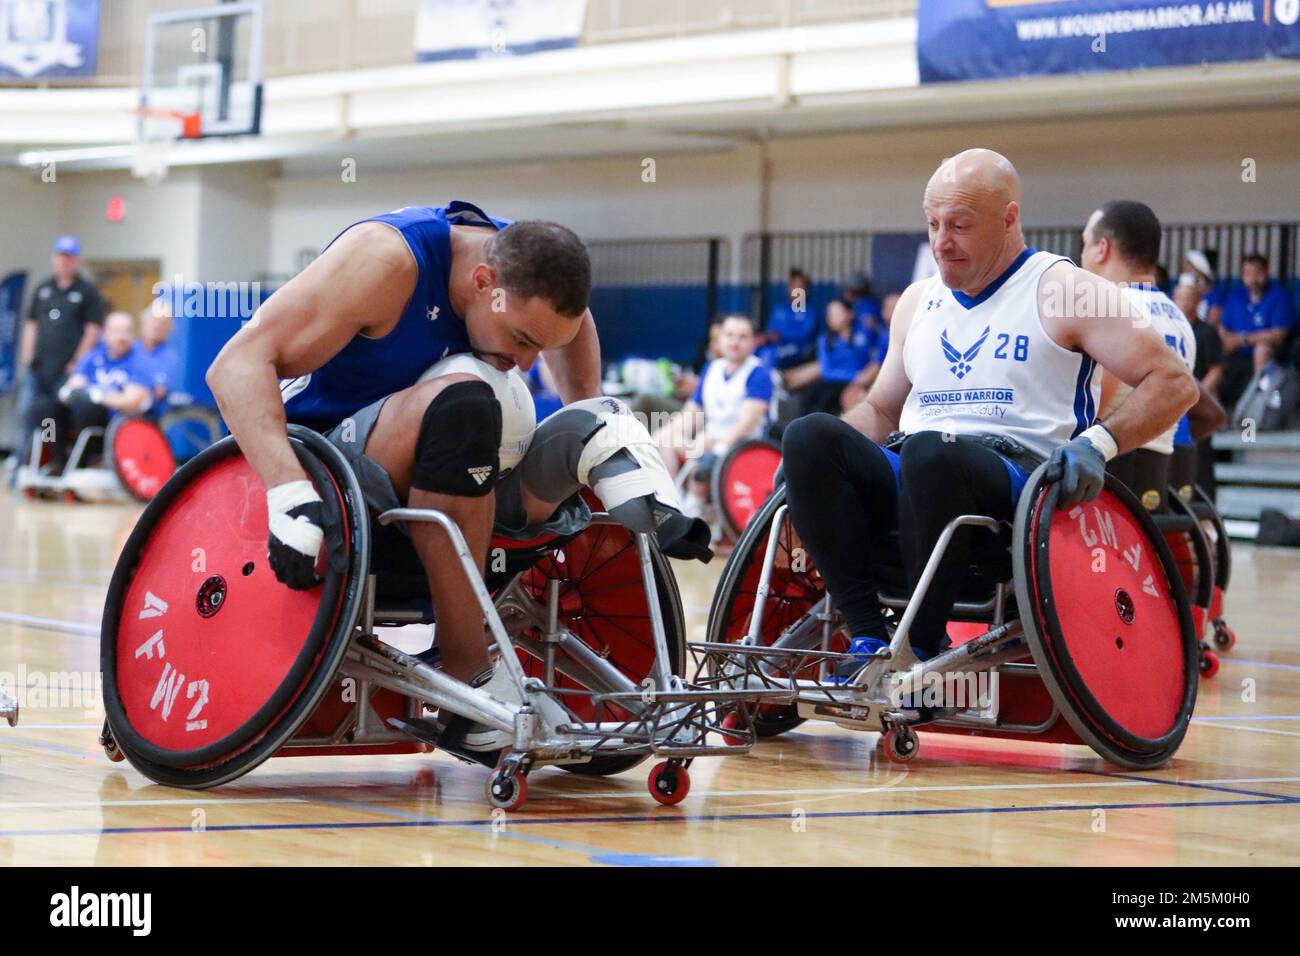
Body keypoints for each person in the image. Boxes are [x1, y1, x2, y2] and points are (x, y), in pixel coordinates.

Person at [780, 149, 1197, 691]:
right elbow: (881, 408)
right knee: (807, 435)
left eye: (959, 226)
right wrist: (806, 471)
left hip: (1016, 485)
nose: (940, 241)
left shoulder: (1063, 288)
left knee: (932, 452)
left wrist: (1100, 442)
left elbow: (1173, 383)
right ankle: (867, 636)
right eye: (932, 224)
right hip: (919, 464)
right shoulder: (916, 300)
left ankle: (922, 642)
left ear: (1008, 218)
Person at [205, 201, 605, 753]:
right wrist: (289, 492)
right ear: (483, 281)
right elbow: (235, 365)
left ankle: (491, 659)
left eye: (544, 344)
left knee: (583, 437)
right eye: (521, 339)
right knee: (467, 402)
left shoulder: (533, 273)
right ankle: (469, 675)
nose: (530, 361)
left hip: (445, 453)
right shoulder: (385, 262)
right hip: (330, 452)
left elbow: (587, 407)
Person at [1080, 200, 1225, 512]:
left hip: (1107, 474)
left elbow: (1095, 409)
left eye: (1085, 245)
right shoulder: (1179, 318)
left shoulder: (1111, 305)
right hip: (1156, 474)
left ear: (1102, 248)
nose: (1082, 257)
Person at [653, 314, 773, 517]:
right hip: (708, 439)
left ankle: (693, 507)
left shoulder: (759, 373)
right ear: (719, 339)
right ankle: (669, 501)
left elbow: (747, 423)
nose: (735, 341)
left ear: (753, 341)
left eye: (742, 337)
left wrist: (713, 443)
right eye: (729, 335)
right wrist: (676, 434)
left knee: (704, 452)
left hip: (745, 444)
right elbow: (692, 411)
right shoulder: (711, 369)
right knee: (663, 439)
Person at [17, 236, 104, 467]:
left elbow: (92, 329)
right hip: (40, 367)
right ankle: (26, 461)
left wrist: (78, 361)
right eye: (61, 257)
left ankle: (58, 459)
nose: (64, 262)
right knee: (32, 412)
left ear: (77, 261)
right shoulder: (43, 289)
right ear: (54, 259)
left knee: (57, 416)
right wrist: (28, 355)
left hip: (67, 369)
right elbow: (31, 324)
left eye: (69, 258)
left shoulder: (87, 291)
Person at [56, 311, 154, 465]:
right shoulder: (93, 356)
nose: (121, 337)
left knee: (88, 410)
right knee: (45, 409)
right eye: (116, 331)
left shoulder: (140, 360)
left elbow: (132, 401)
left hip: (116, 422)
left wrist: (99, 396)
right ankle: (58, 462)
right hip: (82, 414)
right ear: (105, 334)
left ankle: (81, 464)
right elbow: (75, 384)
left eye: (126, 331)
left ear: (133, 334)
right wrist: (69, 391)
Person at [1218, 253, 1295, 410]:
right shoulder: (1236, 296)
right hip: (1238, 354)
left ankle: (1257, 405)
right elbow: (1222, 330)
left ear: (1266, 273)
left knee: (1262, 349)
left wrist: (1243, 339)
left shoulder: (1279, 295)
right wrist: (1230, 340)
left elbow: (1278, 335)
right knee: (1213, 348)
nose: (1253, 278)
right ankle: (1217, 410)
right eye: (1248, 273)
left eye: (1257, 273)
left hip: (1274, 354)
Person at [1175, 280, 1225, 497]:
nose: (1185, 301)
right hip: (1173, 405)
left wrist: (1196, 396)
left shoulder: (1206, 332)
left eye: (1190, 297)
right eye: (1181, 296)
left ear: (1198, 301)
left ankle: (1206, 511)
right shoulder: (1171, 326)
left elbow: (1216, 369)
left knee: (1202, 462)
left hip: (1197, 405)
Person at [783, 298, 873, 416]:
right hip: (830, 383)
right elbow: (825, 369)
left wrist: (858, 381)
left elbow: (873, 363)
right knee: (811, 397)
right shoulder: (825, 339)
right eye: (829, 314)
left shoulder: (865, 334)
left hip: (855, 383)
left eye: (836, 314)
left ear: (849, 314)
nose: (831, 318)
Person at [757, 269, 816, 370]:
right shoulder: (779, 310)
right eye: (792, 286)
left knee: (771, 355)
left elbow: (805, 334)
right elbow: (770, 330)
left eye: (799, 287)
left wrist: (782, 336)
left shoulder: (808, 313)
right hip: (775, 346)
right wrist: (764, 337)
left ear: (806, 291)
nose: (795, 290)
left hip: (797, 349)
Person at [135, 301, 184, 414]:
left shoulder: (170, 358)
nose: (156, 326)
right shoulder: (131, 349)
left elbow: (159, 391)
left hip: (148, 415)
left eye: (162, 323)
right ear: (144, 322)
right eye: (153, 320)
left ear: (169, 328)